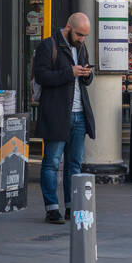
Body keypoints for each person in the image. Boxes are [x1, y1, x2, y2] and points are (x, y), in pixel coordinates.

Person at [34, 13, 95, 225]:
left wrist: (87, 74)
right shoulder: (48, 46)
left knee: (75, 164)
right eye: (79, 34)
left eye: (85, 36)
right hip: (57, 114)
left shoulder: (81, 47)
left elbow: (84, 79)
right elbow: (41, 76)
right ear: (68, 26)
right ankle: (52, 209)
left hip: (79, 114)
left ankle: (72, 206)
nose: (81, 39)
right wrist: (69, 72)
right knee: (51, 162)